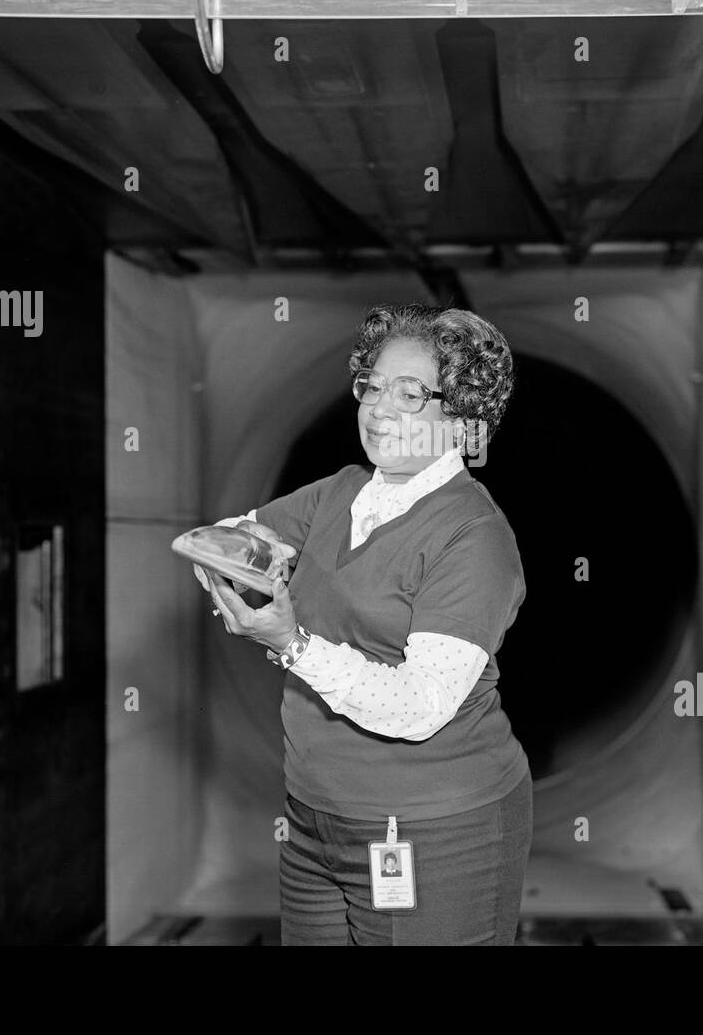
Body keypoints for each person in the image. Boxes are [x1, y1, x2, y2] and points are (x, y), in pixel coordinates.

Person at [196, 303, 531, 946]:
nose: (379, 410)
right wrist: (232, 556)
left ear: (461, 419)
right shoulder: (340, 491)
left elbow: (419, 705)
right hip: (314, 820)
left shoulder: (474, 537)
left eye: (409, 394)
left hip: (438, 830)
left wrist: (290, 643)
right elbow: (237, 535)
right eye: (372, 386)